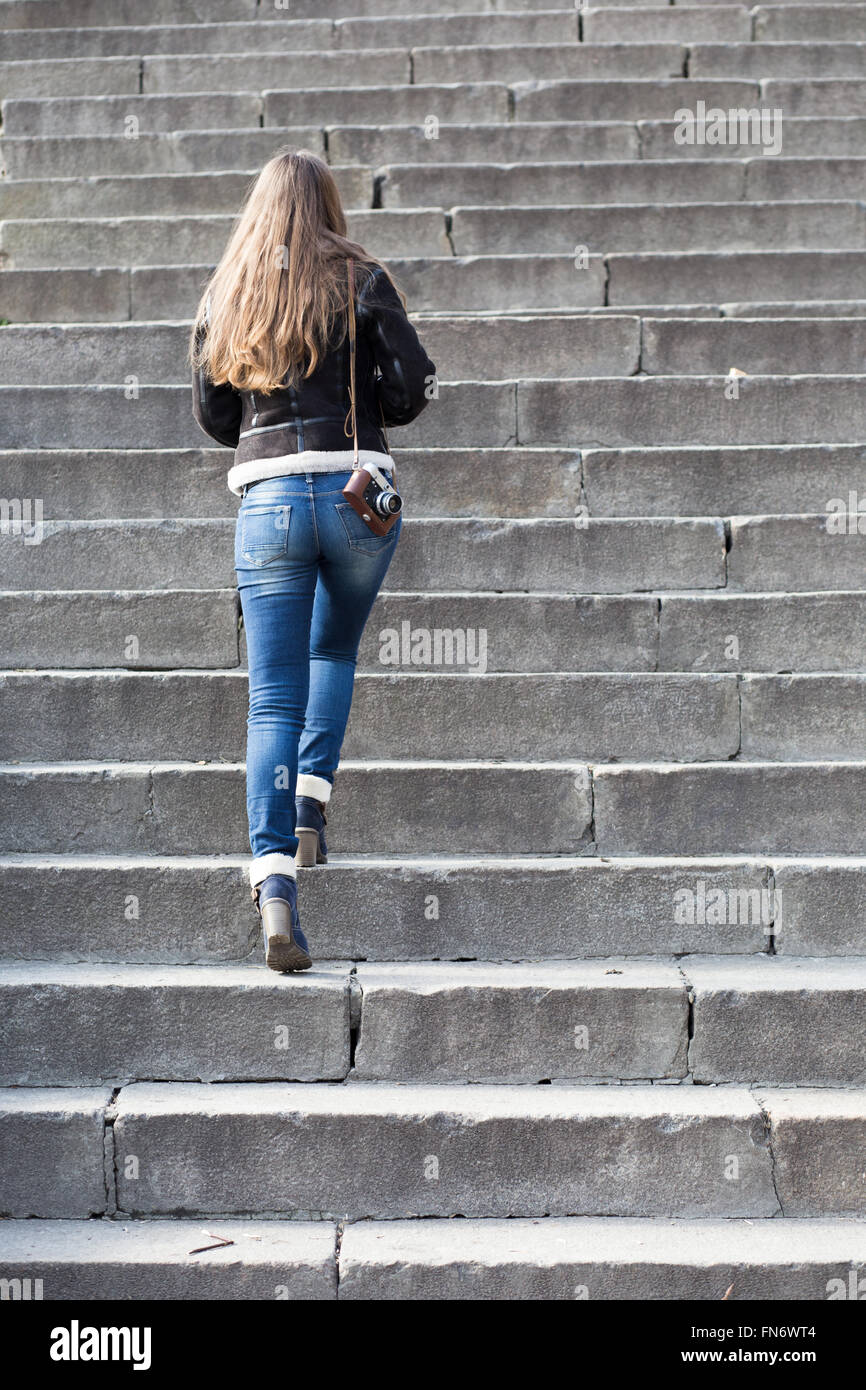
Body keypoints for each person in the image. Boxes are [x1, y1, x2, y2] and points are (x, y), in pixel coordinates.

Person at [190, 149, 436, 973]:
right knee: (334, 649)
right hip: (357, 494)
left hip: (268, 503)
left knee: (271, 701)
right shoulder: (361, 277)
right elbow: (409, 389)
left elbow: (216, 411)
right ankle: (310, 806)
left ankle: (274, 892)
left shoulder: (232, 285)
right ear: (328, 201)